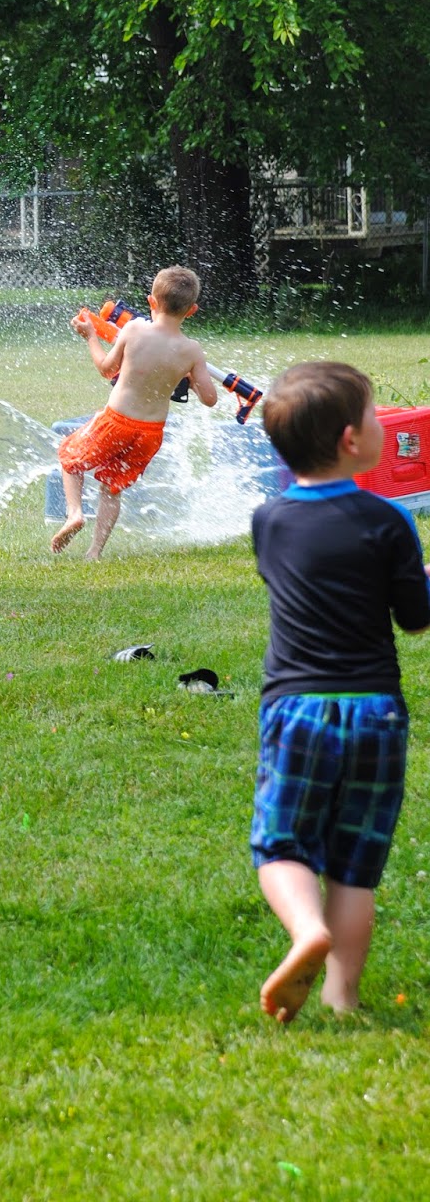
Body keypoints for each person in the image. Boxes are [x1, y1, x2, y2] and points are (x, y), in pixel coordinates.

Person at [251, 361, 430, 1024]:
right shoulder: (389, 522)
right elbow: (414, 617)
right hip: (376, 713)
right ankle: (341, 997)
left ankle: (306, 929)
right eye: (376, 414)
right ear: (352, 441)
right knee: (355, 866)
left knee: (281, 846)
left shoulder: (268, 521)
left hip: (296, 707)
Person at [50, 265, 217, 560]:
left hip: (116, 421)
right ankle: (94, 552)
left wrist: (90, 336)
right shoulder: (192, 350)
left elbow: (107, 370)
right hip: (150, 434)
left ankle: (75, 514)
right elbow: (210, 399)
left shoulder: (134, 329)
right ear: (192, 310)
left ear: (151, 301)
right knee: (112, 488)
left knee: (70, 458)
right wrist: (190, 378)